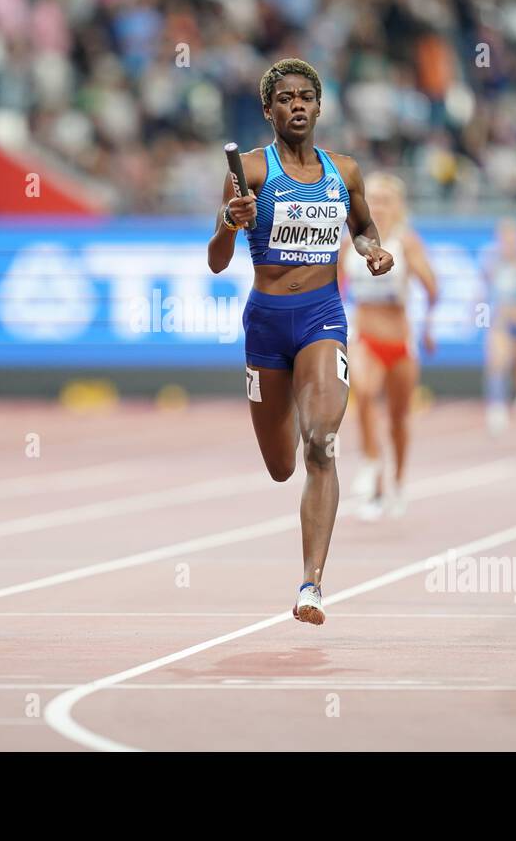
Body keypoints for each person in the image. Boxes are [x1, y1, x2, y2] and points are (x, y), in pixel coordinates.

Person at [207, 58, 394, 625]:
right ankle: (288, 403)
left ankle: (311, 584)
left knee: (321, 443)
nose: (296, 104)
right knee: (280, 466)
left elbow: (362, 226)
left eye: (305, 96)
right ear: (268, 110)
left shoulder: (346, 171)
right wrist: (227, 223)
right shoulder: (250, 173)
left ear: (318, 107)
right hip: (266, 324)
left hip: (321, 319)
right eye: (284, 97)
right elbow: (217, 263)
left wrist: (372, 250)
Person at [341, 173, 438, 520]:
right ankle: (370, 463)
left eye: (385, 199)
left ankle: (397, 480)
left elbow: (432, 288)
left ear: (398, 205)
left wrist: (427, 327)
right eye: (373, 198)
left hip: (400, 342)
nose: (378, 205)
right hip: (364, 337)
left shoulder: (406, 242)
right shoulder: (349, 242)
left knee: (398, 419)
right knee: (364, 392)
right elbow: (334, 289)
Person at [482, 218, 516, 436]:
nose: (509, 241)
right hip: (500, 319)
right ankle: (497, 406)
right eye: (505, 237)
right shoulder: (492, 260)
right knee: (497, 360)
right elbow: (485, 288)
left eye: (513, 236)